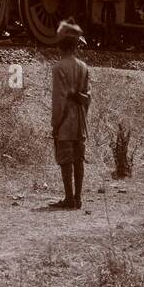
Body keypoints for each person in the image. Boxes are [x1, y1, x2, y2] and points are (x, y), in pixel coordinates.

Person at [50, 19, 92, 210]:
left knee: (65, 160)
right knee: (79, 160)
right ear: (75, 46)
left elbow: (59, 100)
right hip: (80, 122)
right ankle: (78, 198)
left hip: (65, 123)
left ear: (60, 45)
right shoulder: (84, 67)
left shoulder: (58, 68)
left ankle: (68, 199)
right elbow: (87, 97)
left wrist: (55, 125)